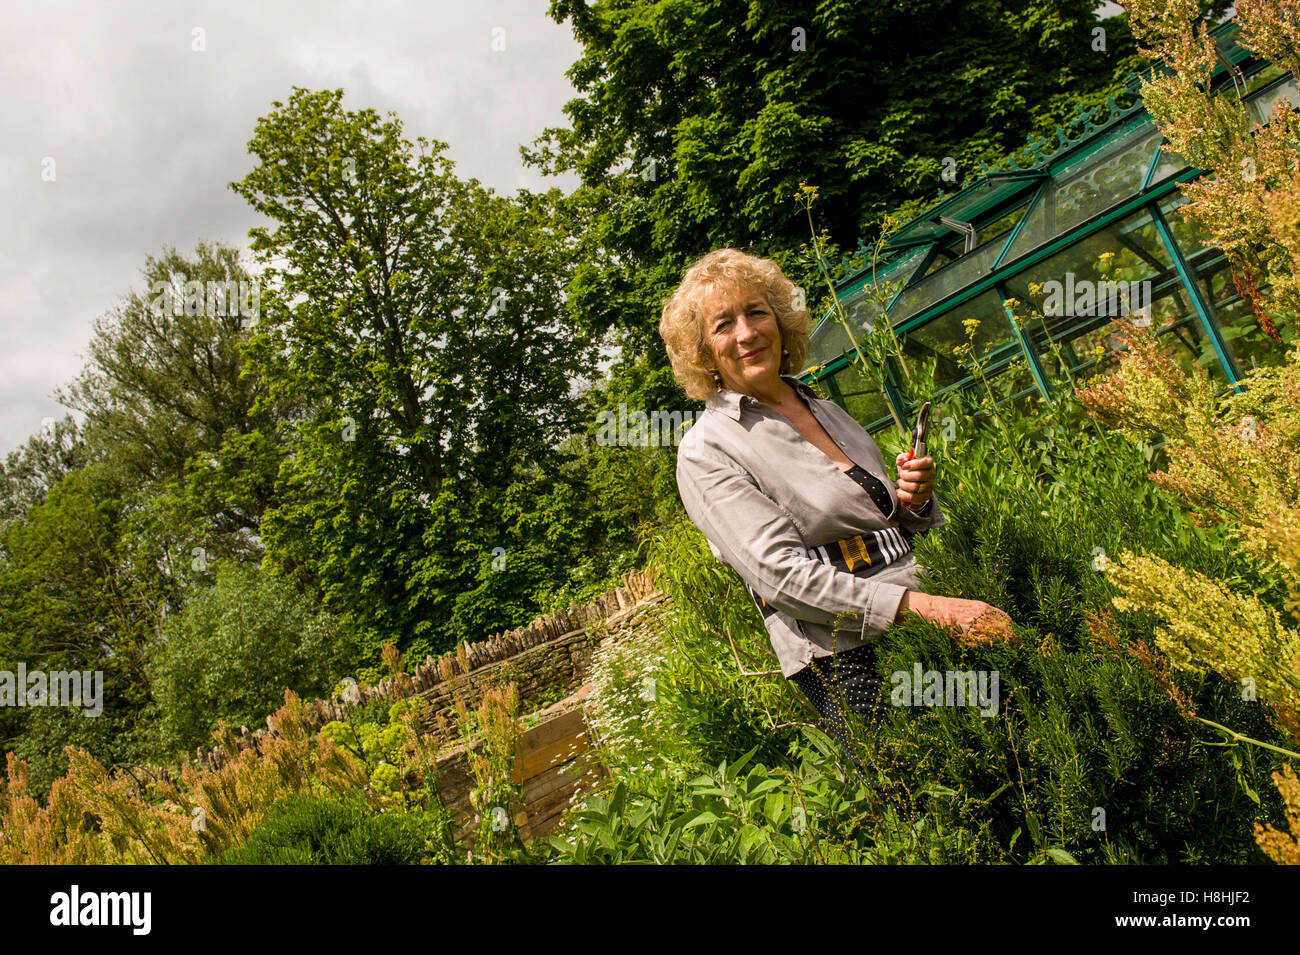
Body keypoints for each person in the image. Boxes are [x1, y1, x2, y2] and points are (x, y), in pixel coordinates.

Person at [659, 247, 1015, 787]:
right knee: (938, 809)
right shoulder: (706, 451)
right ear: (703, 351)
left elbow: (885, 529)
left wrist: (913, 501)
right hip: (852, 661)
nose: (747, 333)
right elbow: (782, 578)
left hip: (922, 618)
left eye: (757, 312)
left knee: (1009, 778)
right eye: (722, 324)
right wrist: (930, 609)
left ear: (781, 321)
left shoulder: (822, 407)